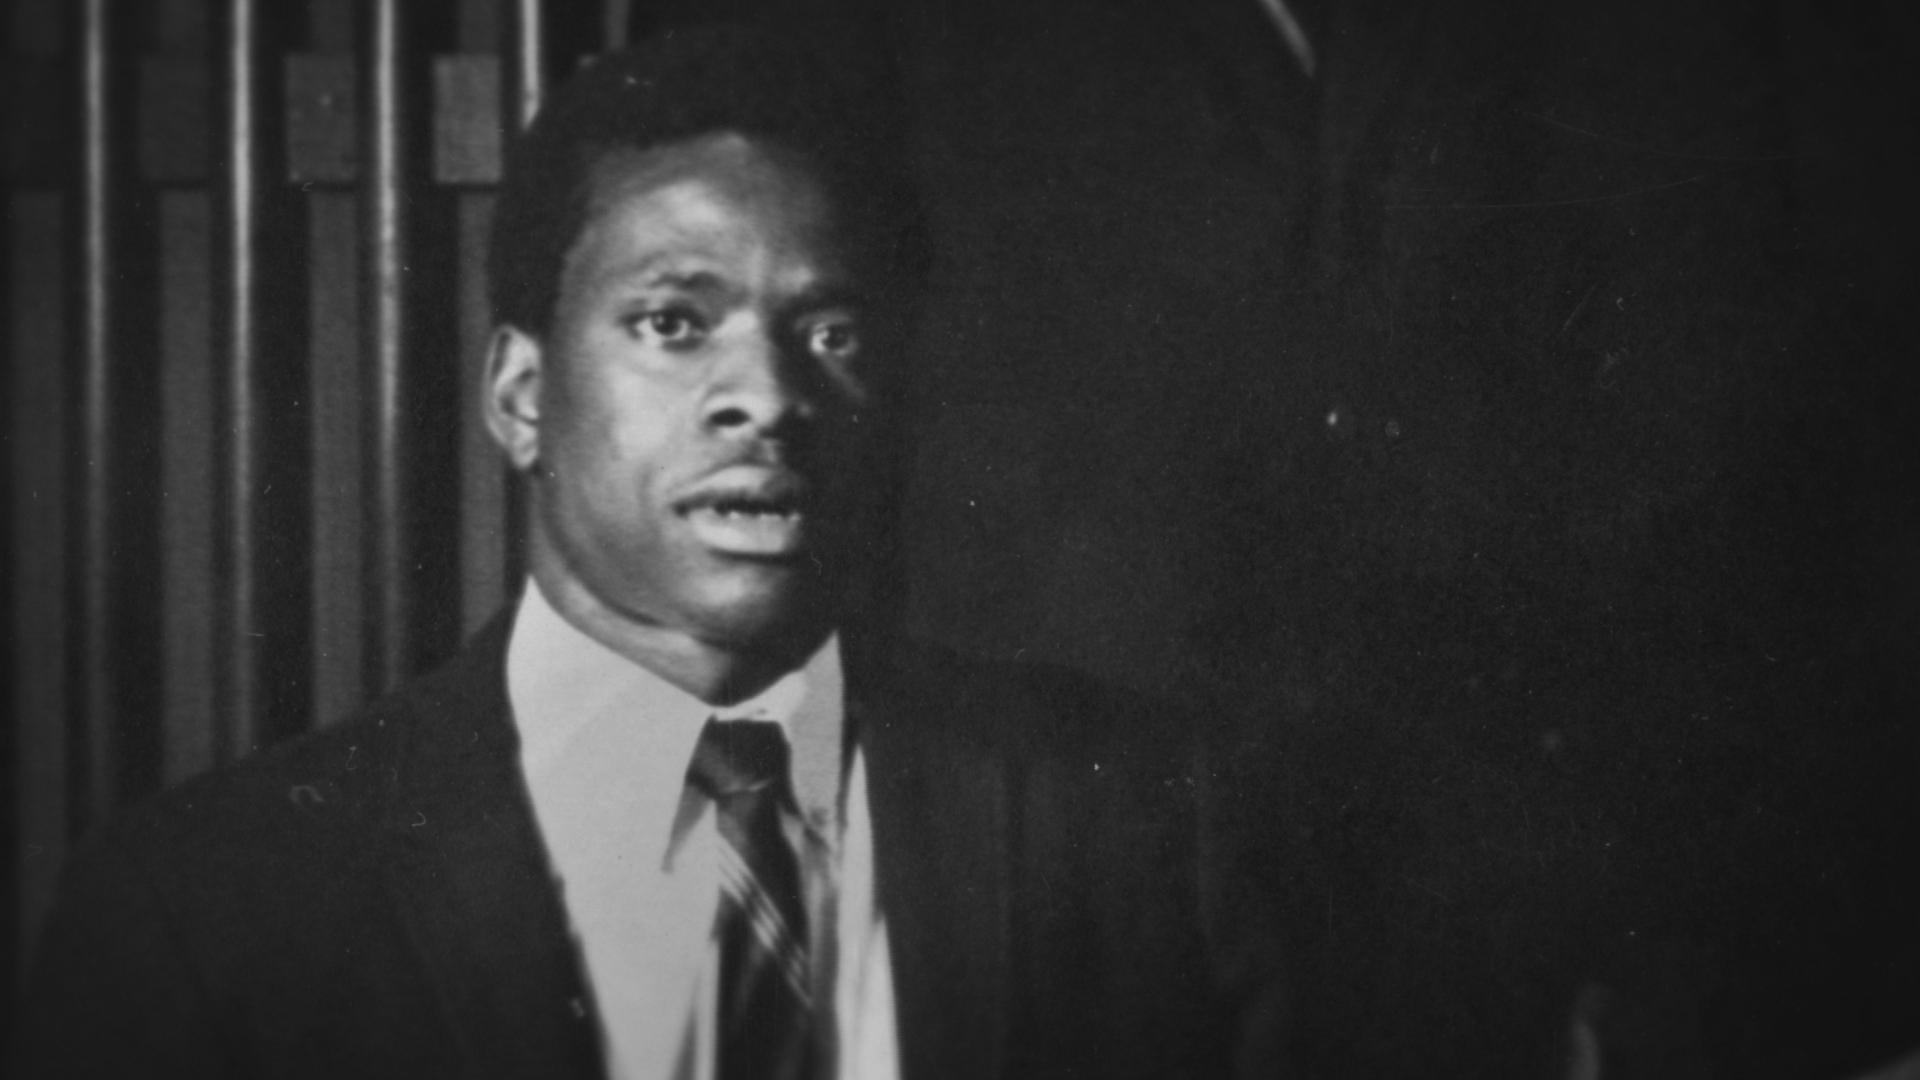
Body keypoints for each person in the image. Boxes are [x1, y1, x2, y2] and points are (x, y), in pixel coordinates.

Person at [15, 25, 1278, 1080]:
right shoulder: (205, 911)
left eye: (830, 334)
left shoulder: (1156, 828)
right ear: (521, 397)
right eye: (674, 322)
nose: (767, 397)